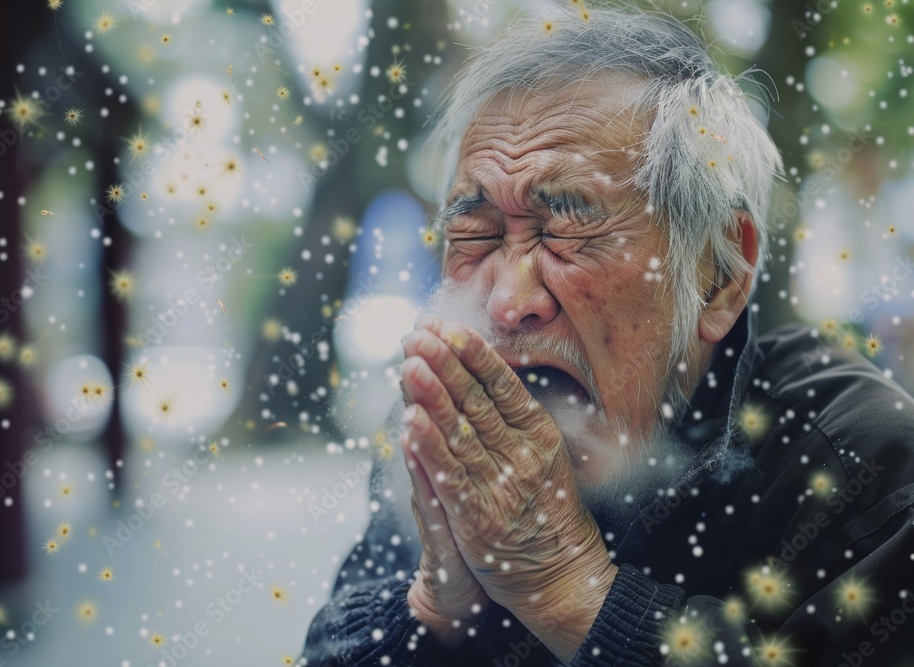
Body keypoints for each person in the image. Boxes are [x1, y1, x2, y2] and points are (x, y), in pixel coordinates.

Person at [299, 8, 914, 666]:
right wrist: (431, 610)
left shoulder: (863, 465)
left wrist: (569, 586)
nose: (508, 302)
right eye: (476, 234)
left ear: (718, 275)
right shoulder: (449, 433)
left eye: (568, 230)